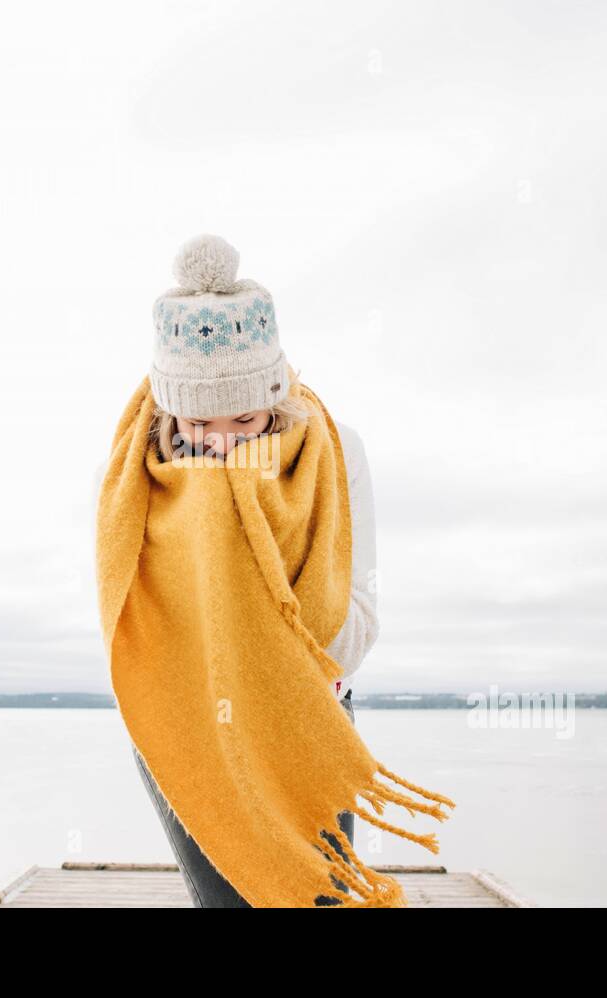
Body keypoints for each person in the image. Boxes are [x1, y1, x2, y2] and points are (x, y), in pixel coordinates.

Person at [93, 233, 382, 906]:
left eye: (246, 418)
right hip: (184, 733)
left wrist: (252, 576)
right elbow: (134, 629)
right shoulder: (136, 478)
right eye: (198, 423)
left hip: (308, 727)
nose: (222, 443)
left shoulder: (335, 458)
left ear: (276, 396)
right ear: (169, 410)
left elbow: (357, 632)